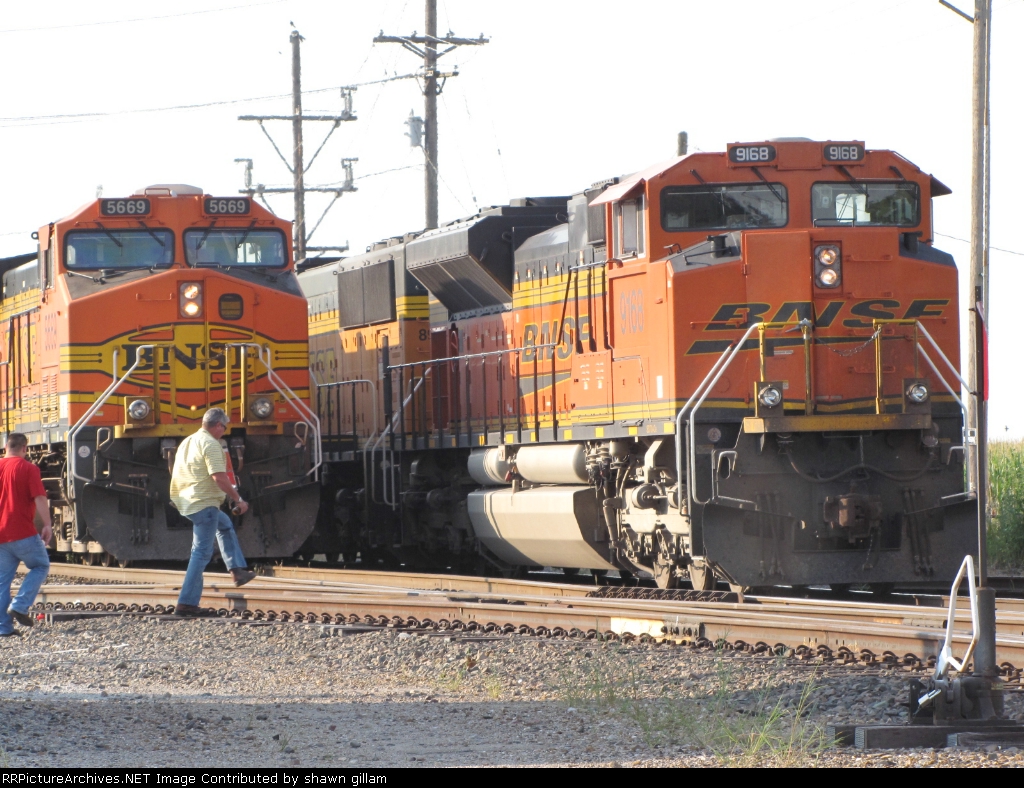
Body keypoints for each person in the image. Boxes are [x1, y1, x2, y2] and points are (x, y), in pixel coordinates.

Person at [170, 408, 256, 616]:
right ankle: (186, 604)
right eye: (224, 428)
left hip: (188, 500)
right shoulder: (211, 444)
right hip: (204, 503)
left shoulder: (188, 441)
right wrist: (238, 499)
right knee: (200, 553)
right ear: (218, 425)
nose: (224, 432)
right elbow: (219, 477)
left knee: (224, 524)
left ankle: (237, 571)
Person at [0, 433, 51, 637]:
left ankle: (3, 628)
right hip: (21, 531)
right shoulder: (29, 468)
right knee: (41, 565)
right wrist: (47, 524)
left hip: (1, 535)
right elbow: (39, 497)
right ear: (25, 448)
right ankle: (20, 605)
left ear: (5, 447)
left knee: (2, 581)